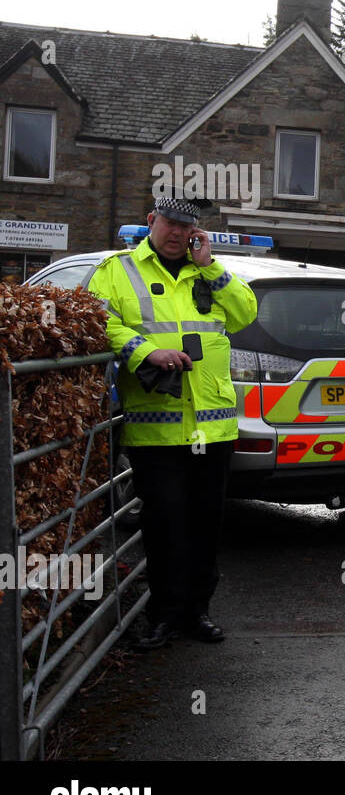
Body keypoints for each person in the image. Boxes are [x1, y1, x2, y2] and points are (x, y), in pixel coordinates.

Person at [89, 189, 257, 649]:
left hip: (212, 427)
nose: (177, 234)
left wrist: (212, 266)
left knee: (205, 526)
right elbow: (97, 322)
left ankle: (197, 613)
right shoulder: (117, 271)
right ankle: (163, 615)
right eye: (169, 224)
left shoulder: (208, 271)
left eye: (186, 228)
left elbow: (246, 314)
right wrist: (147, 351)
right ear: (151, 220)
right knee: (164, 526)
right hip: (156, 427)